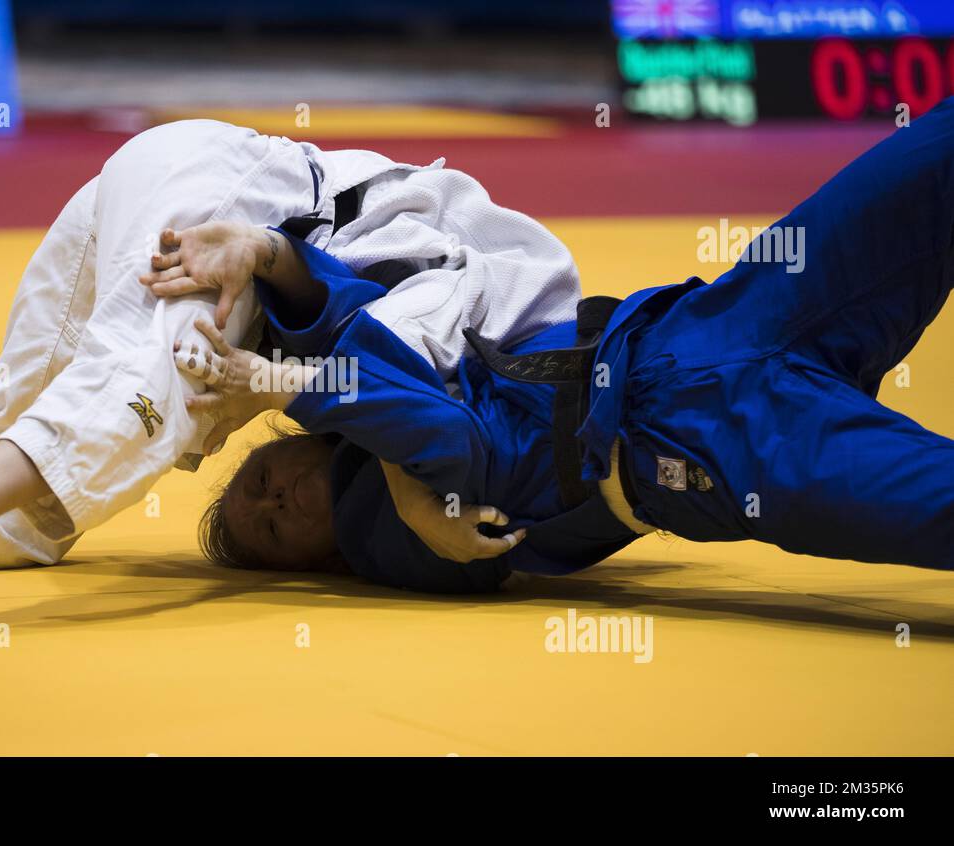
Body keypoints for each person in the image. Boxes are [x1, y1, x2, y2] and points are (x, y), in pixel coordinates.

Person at [0, 119, 579, 651]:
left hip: (162, 194)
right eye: (279, 497)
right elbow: (395, 367)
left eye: (260, 513)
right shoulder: (513, 328)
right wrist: (419, 492)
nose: (270, 489)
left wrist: (295, 398)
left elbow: (373, 383)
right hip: (236, 195)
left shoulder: (405, 389)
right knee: (171, 379)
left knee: (15, 516)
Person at [181, 97, 954, 592]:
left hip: (713, 322)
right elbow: (450, 441)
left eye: (261, 483)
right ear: (320, 563)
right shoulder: (400, 546)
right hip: (705, 450)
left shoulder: (360, 410)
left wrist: (269, 254)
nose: (276, 498)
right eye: (275, 527)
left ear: (285, 447)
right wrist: (288, 387)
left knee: (933, 161)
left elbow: (360, 320)